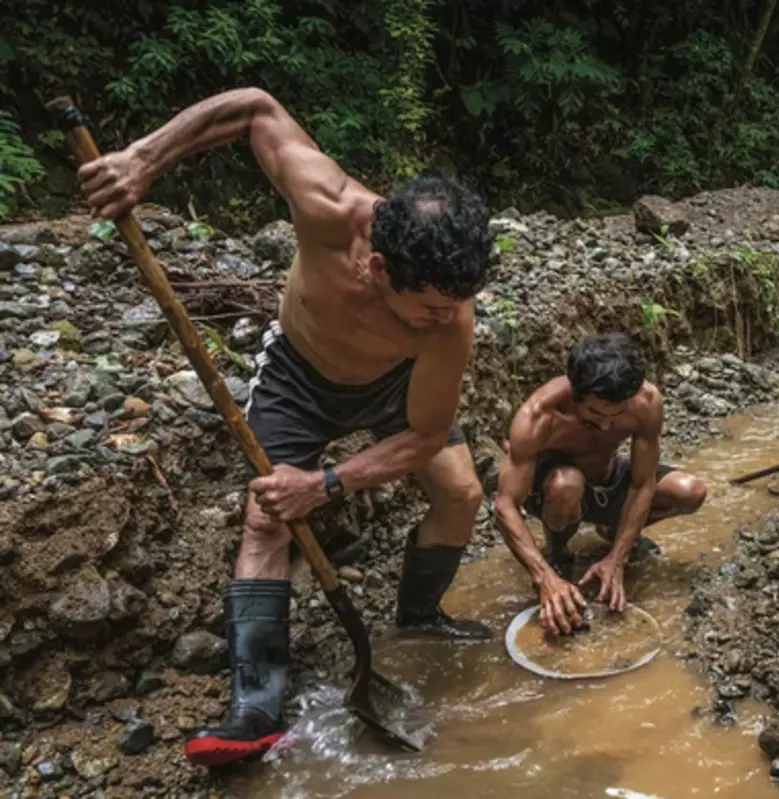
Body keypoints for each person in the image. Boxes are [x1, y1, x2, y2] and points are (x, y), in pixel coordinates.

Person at [74, 88, 495, 767]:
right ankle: (255, 709)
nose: (449, 318)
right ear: (379, 265)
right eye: (432, 308)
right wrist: (142, 160)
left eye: (457, 305)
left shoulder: (450, 325)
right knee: (266, 515)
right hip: (300, 375)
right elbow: (254, 109)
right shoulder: (328, 206)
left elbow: (422, 435)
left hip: (398, 386)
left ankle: (419, 614)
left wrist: (326, 483)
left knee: (461, 491)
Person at [493, 333, 707, 635]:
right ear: (576, 392)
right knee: (566, 483)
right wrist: (544, 578)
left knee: (690, 492)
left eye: (616, 415)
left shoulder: (645, 402)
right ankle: (559, 553)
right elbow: (505, 505)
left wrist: (617, 559)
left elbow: (641, 484)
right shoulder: (539, 416)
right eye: (594, 414)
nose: (607, 425)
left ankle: (613, 533)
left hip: (608, 479)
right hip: (555, 489)